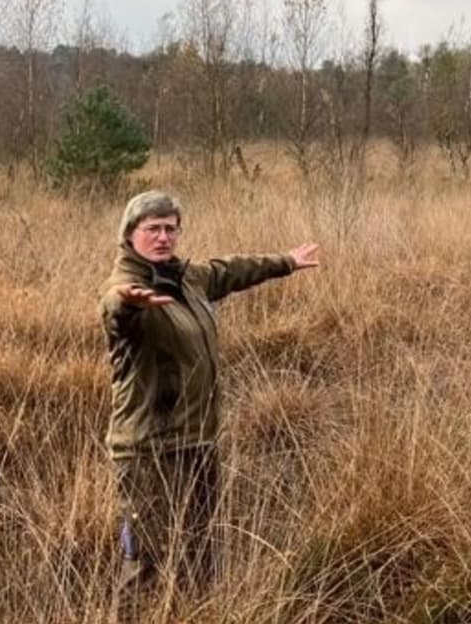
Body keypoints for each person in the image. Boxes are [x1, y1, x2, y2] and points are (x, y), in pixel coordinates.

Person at [99, 190, 320, 620]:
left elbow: (231, 270)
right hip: (148, 450)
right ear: (130, 235)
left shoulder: (188, 278)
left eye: (170, 228)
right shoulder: (125, 288)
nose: (163, 237)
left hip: (198, 440)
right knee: (145, 561)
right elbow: (113, 311)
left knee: (200, 553)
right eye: (152, 229)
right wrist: (127, 304)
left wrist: (285, 262)